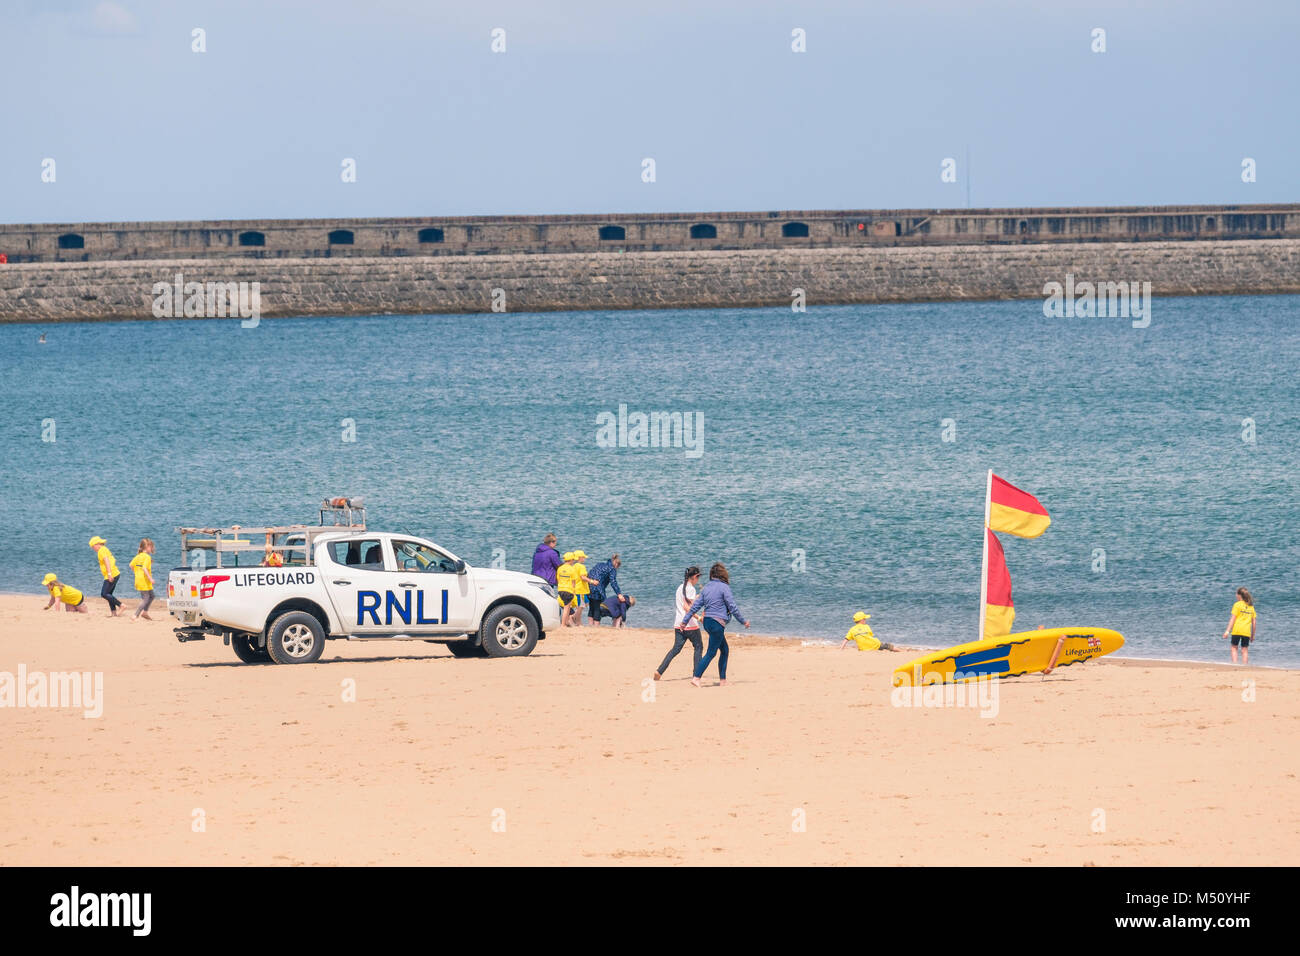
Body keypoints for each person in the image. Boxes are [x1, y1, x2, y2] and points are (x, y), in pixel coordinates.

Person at [684, 562, 751, 687]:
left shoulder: (707, 587)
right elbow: (733, 607)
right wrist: (743, 621)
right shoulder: (724, 587)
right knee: (711, 653)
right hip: (717, 623)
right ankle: (696, 678)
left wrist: (685, 621)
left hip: (708, 622)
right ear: (723, 574)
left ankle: (723, 680)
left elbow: (695, 607)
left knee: (724, 650)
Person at [654, 566, 703, 680]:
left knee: (676, 649)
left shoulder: (680, 587)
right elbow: (687, 607)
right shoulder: (690, 588)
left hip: (678, 623)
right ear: (694, 577)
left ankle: (659, 671)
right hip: (690, 624)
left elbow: (686, 602)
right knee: (698, 646)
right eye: (698, 577)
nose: (698, 580)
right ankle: (696, 674)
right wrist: (699, 618)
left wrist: (697, 597)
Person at [587, 553, 625, 626]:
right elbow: (613, 582)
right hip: (598, 589)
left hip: (589, 587)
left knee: (591, 607)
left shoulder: (599, 564)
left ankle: (590, 626)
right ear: (616, 564)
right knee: (597, 609)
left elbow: (590, 573)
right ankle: (596, 626)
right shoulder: (612, 569)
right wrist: (619, 594)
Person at [1223, 587, 1257, 665]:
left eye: (1236, 594)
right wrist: (1253, 635)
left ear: (1239, 595)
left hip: (1237, 630)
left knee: (1234, 648)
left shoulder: (1237, 605)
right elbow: (1254, 623)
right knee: (1244, 650)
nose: (1235, 595)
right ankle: (1244, 666)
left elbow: (1232, 619)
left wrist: (1227, 631)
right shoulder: (1251, 607)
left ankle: (1235, 664)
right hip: (1246, 632)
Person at [89, 536, 122, 616]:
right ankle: (113, 613)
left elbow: (107, 561)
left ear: (97, 544)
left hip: (111, 574)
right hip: (115, 573)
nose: (93, 549)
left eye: (93, 547)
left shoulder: (101, 551)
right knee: (109, 594)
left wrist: (109, 574)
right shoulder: (104, 549)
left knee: (104, 594)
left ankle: (121, 605)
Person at [130, 538, 157, 621]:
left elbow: (131, 565)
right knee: (146, 598)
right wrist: (151, 579)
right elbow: (144, 568)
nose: (152, 549)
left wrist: (137, 573)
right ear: (147, 547)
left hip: (140, 580)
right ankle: (135, 615)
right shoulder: (147, 557)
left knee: (152, 596)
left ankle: (145, 612)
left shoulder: (138, 556)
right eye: (151, 547)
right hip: (144, 581)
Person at [556, 552, 579, 627]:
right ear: (571, 560)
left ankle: (566, 623)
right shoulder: (572, 569)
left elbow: (558, 579)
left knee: (567, 608)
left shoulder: (560, 568)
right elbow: (573, 582)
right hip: (568, 590)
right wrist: (574, 592)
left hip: (560, 590)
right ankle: (563, 624)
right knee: (566, 608)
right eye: (573, 560)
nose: (573, 562)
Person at [571, 550, 593, 625]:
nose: (584, 559)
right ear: (579, 558)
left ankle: (578, 621)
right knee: (581, 606)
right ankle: (574, 618)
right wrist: (591, 581)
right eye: (583, 557)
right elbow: (583, 577)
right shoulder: (581, 566)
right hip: (581, 589)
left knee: (582, 605)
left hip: (576, 588)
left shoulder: (573, 566)